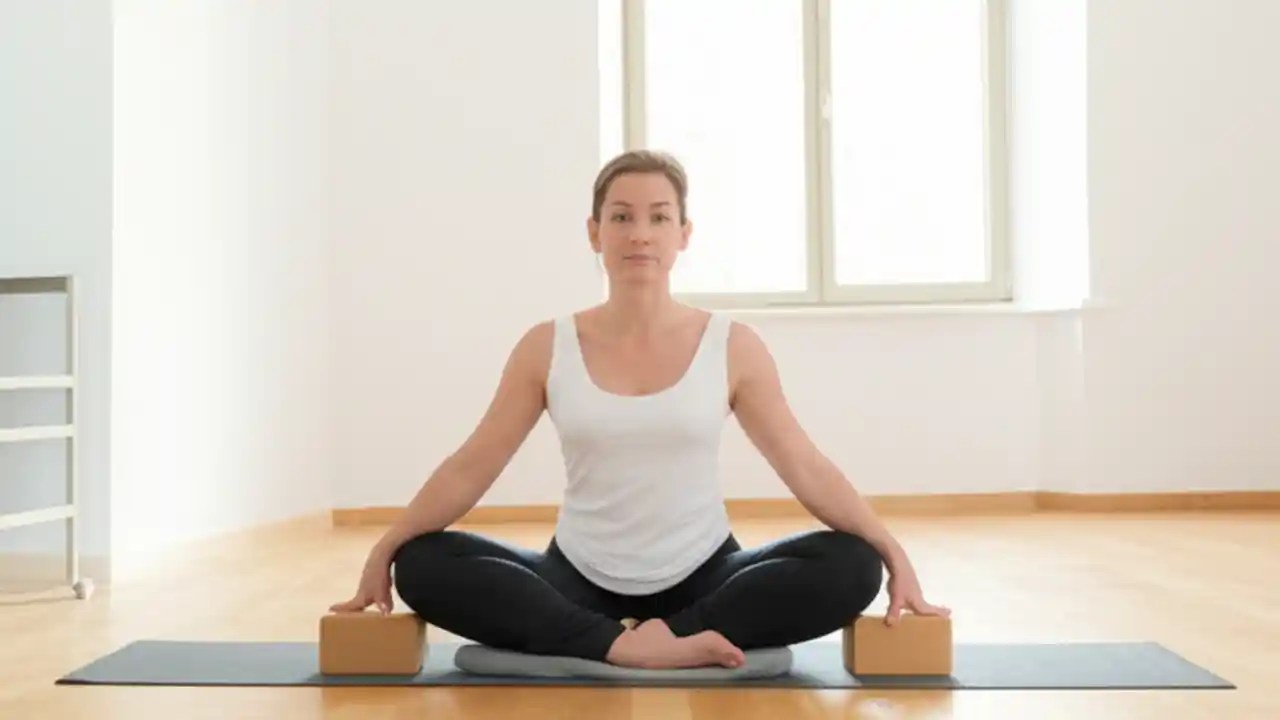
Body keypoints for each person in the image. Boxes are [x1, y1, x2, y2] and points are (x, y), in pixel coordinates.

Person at [331, 149, 949, 670]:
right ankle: (631, 646)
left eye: (659, 217)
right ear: (594, 232)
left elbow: (803, 464)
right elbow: (473, 464)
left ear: (684, 234)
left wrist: (891, 551)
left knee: (852, 565)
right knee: (423, 564)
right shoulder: (547, 345)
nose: (640, 234)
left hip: (706, 578)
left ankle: (653, 636)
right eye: (621, 216)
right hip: (576, 579)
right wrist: (386, 545)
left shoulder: (732, 345)